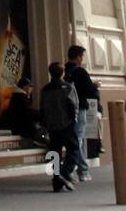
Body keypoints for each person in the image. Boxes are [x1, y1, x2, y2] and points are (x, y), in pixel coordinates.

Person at [39, 62, 80, 192]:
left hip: (52, 124)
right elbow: (73, 105)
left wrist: (45, 122)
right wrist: (74, 119)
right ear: (62, 73)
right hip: (66, 123)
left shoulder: (45, 89)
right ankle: (64, 172)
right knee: (73, 149)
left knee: (55, 151)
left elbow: (42, 107)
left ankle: (56, 179)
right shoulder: (68, 87)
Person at [64, 45, 99, 182]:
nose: (82, 59)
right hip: (79, 108)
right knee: (77, 139)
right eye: (82, 56)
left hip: (64, 110)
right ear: (78, 57)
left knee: (71, 140)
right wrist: (95, 86)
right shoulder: (80, 72)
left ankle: (69, 170)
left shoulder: (63, 70)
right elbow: (90, 91)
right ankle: (81, 170)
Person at [4, 77, 46, 146]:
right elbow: (29, 113)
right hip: (23, 129)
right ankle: (38, 139)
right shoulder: (21, 98)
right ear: (25, 87)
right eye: (30, 86)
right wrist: (42, 115)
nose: (31, 89)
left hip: (17, 127)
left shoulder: (16, 97)